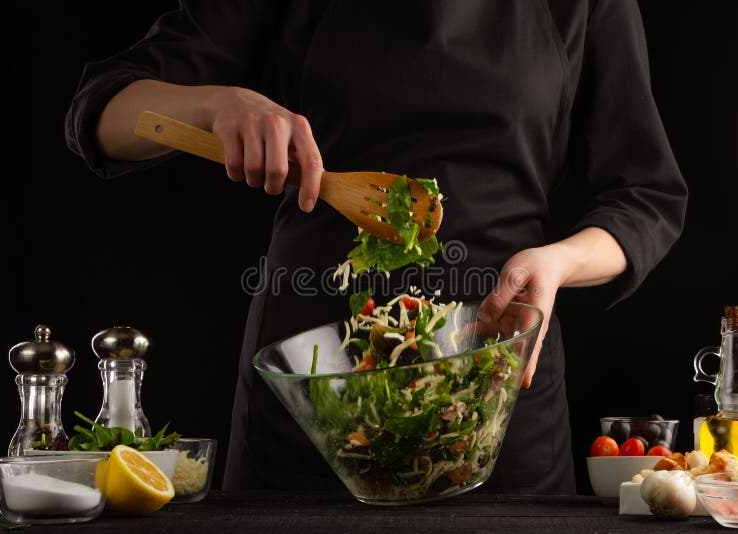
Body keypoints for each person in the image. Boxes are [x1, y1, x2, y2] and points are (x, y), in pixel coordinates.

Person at [66, 1, 687, 494]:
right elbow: (101, 113)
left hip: (496, 386)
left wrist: (557, 263)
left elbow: (647, 196)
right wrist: (215, 104)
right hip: (313, 389)